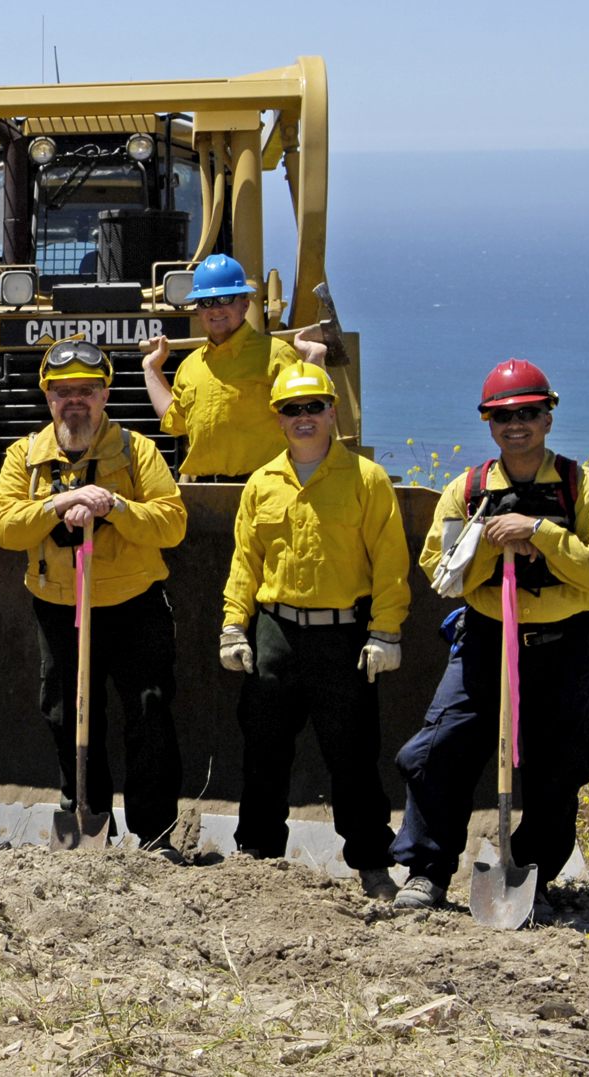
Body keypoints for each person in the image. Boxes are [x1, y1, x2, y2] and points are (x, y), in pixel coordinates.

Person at [390, 360, 589, 911]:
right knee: (437, 750)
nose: (515, 424)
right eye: (502, 416)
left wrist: (538, 530)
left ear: (548, 417)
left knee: (558, 765)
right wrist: (491, 539)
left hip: (565, 646)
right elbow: (441, 573)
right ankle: (428, 872)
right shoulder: (466, 491)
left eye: (528, 413)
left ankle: (532, 877)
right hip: (487, 641)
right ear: (487, 423)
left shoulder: (584, 487)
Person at [0, 340, 190, 858]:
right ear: (47, 397)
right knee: (66, 713)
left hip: (133, 605)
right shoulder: (24, 457)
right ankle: (88, 824)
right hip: (59, 607)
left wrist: (116, 506)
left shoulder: (137, 451)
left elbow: (172, 523)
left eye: (88, 390)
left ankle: (156, 834)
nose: (75, 401)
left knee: (148, 711)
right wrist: (60, 502)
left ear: (105, 396)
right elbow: (5, 527)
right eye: (63, 391)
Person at [219, 363, 409, 899]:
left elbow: (391, 563)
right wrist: (234, 627)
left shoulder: (367, 481)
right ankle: (255, 857)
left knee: (351, 754)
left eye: (313, 408)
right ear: (278, 419)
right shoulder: (261, 484)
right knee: (263, 748)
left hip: (343, 637)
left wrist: (385, 633)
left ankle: (373, 864)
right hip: (275, 632)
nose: (303, 419)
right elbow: (245, 562)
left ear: (332, 412)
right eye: (291, 410)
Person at [139, 253, 327, 482]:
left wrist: (314, 359)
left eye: (225, 299)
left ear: (245, 304)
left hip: (266, 486)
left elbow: (306, 414)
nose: (215, 309)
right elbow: (174, 419)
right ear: (198, 310)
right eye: (206, 302)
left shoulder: (275, 355)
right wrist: (151, 368)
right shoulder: (190, 367)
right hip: (206, 492)